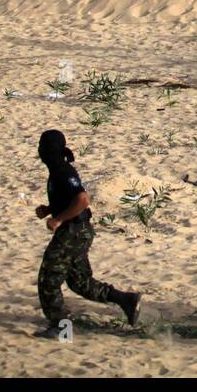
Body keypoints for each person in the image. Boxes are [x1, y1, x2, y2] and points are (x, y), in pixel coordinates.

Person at [34, 129, 141, 337]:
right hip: (78, 231)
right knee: (79, 282)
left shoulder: (63, 171)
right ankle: (126, 300)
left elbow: (82, 200)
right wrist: (50, 209)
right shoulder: (57, 170)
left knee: (49, 278)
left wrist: (58, 219)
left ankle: (60, 326)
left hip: (73, 232)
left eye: (43, 147)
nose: (40, 151)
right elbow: (69, 199)